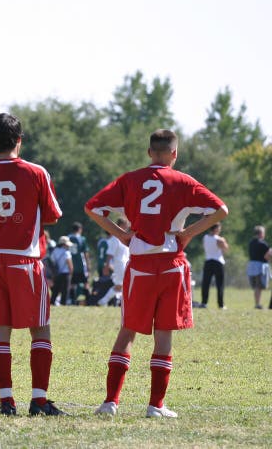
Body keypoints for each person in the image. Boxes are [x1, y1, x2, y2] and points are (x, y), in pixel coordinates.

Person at [85, 129, 227, 418]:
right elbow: (221, 210)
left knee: (127, 332)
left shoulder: (129, 179)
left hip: (140, 266)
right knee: (163, 336)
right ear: (174, 153)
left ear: (150, 152)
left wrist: (122, 234)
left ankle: (111, 402)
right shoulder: (184, 181)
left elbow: (93, 208)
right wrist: (187, 233)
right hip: (172, 265)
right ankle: (155, 406)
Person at [0, 113, 66, 416]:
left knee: (1, 330)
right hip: (24, 259)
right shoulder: (37, 172)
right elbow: (52, 215)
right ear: (19, 140)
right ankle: (38, 401)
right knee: (40, 330)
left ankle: (6, 401)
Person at [97, 218, 130, 307]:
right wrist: (107, 266)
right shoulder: (115, 238)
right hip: (119, 264)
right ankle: (103, 301)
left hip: (125, 264)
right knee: (120, 285)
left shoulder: (124, 237)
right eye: (125, 225)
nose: (127, 226)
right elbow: (110, 254)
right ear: (120, 225)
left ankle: (118, 302)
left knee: (123, 286)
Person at [201, 222, 229, 309]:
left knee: (206, 283)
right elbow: (226, 249)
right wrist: (224, 241)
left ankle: (204, 302)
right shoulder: (219, 239)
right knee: (219, 284)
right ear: (216, 229)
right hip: (217, 262)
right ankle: (221, 304)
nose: (220, 230)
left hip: (208, 261)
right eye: (219, 228)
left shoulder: (205, 237)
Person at [246, 225, 271, 310]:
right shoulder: (262, 244)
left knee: (256, 286)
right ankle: (257, 304)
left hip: (251, 265)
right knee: (259, 286)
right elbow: (267, 256)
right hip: (260, 266)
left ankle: (257, 303)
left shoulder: (251, 242)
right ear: (260, 233)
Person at [67, 222, 91, 305]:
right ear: (80, 229)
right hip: (81, 265)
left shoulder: (68, 238)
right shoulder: (82, 238)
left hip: (71, 265)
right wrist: (88, 265)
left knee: (72, 284)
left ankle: (72, 301)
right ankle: (89, 301)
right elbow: (85, 253)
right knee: (86, 283)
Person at [49, 236, 74, 306]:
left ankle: (52, 302)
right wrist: (71, 274)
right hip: (66, 274)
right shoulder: (66, 252)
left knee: (55, 290)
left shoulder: (55, 251)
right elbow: (70, 265)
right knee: (65, 291)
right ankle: (63, 303)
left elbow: (52, 262)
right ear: (63, 244)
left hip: (57, 273)